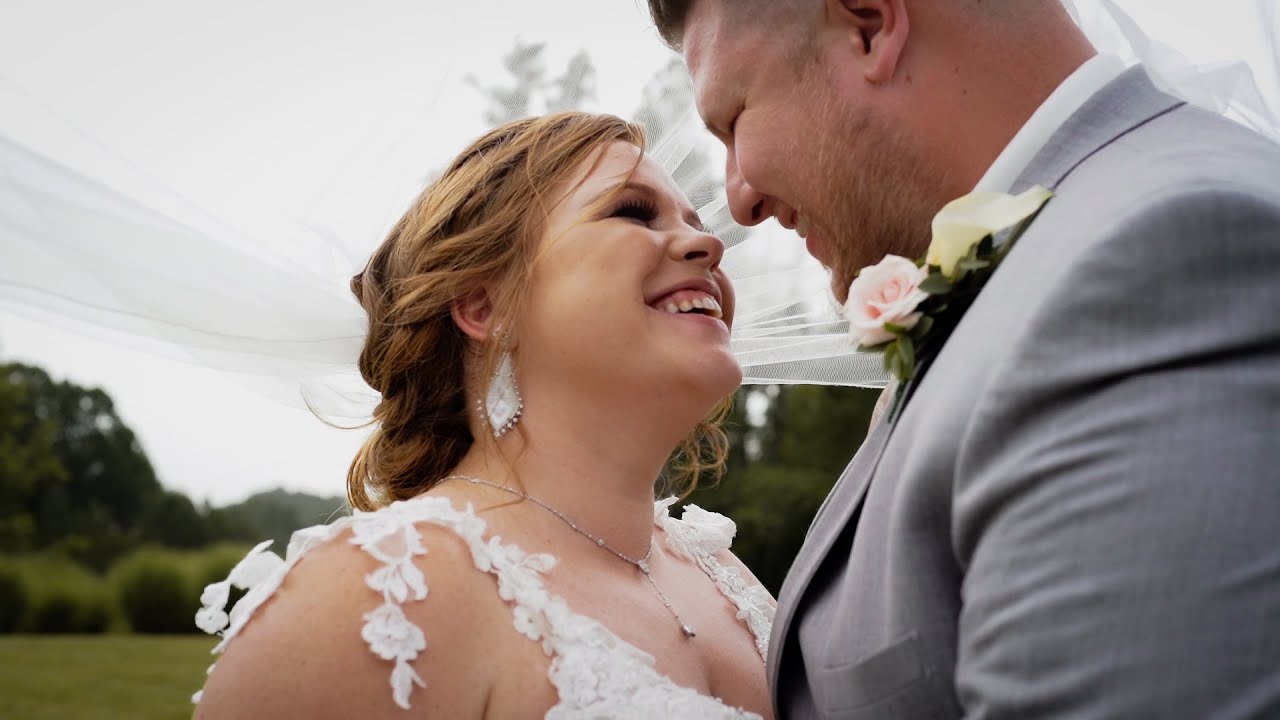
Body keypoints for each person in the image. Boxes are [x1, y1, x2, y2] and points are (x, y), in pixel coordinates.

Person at [648, 0, 1280, 717]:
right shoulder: (1060, 266)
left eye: (733, 121)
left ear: (870, 26)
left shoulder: (1166, 264)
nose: (740, 196)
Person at [192, 112, 777, 719]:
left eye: (695, 223)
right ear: (483, 304)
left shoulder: (722, 573)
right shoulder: (379, 595)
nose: (709, 246)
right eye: (632, 211)